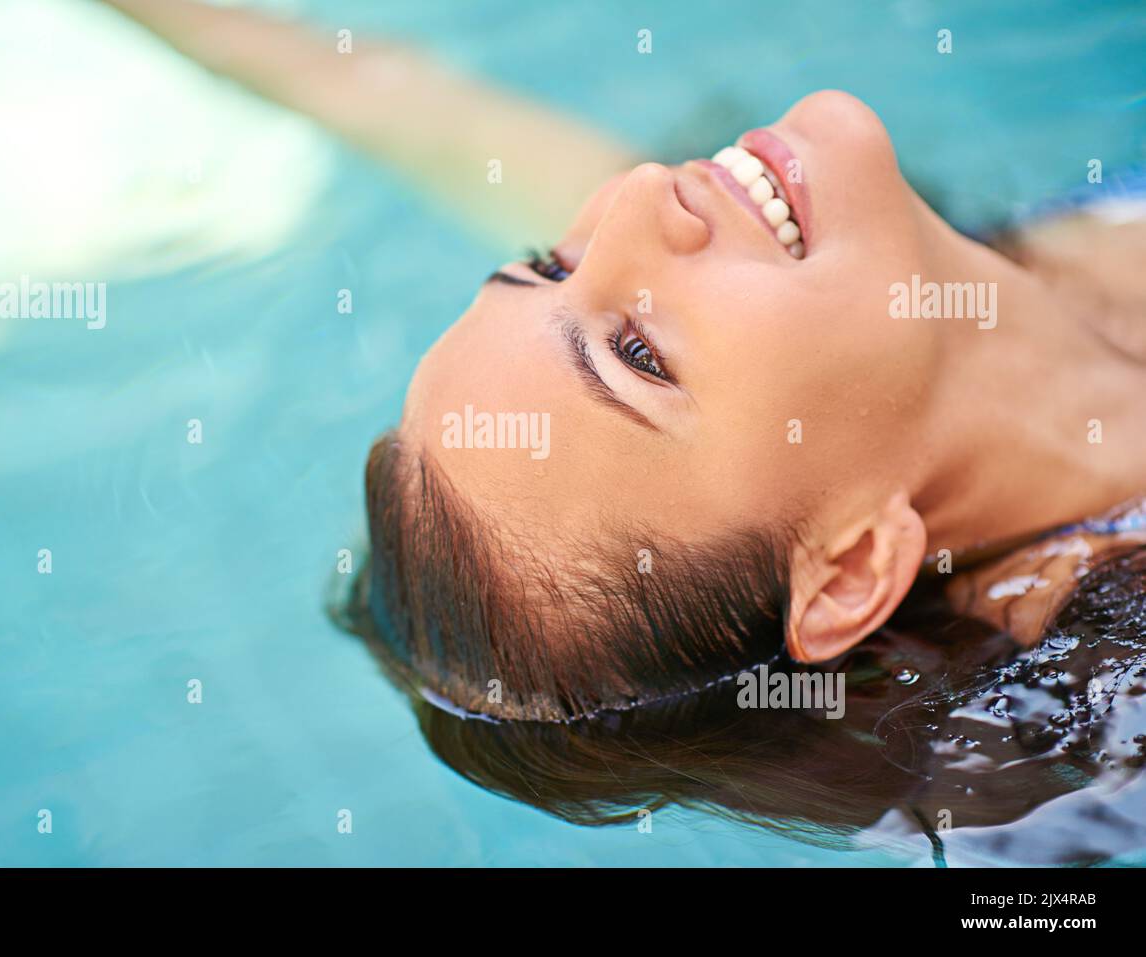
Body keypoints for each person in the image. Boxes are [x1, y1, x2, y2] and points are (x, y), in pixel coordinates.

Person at [101, 0, 1146, 728]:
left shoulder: (849, 277)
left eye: (547, 264)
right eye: (638, 353)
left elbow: (382, 93)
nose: (641, 196)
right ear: (849, 569)